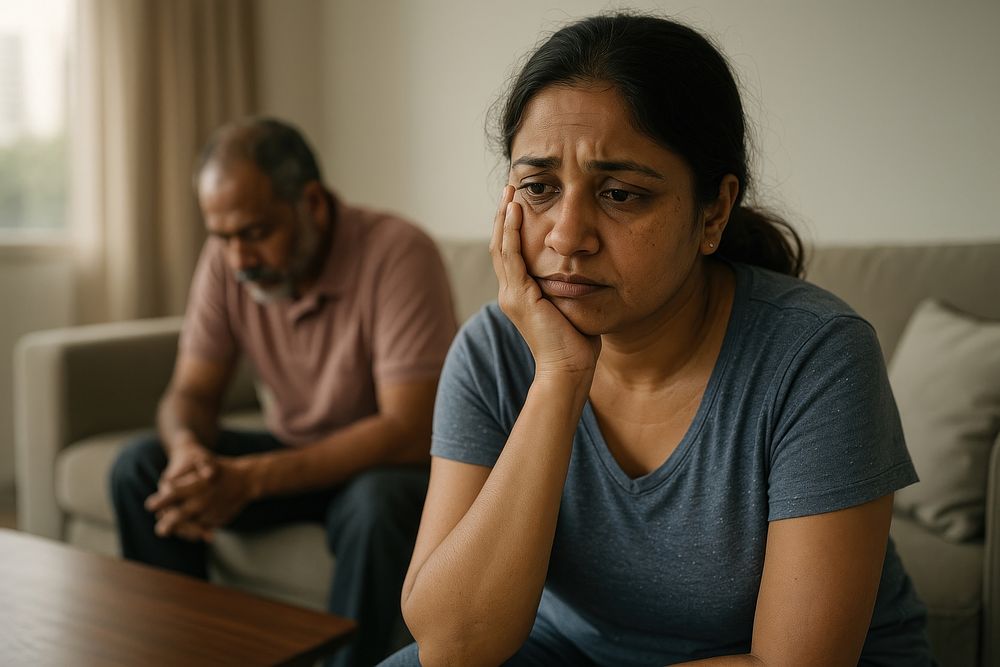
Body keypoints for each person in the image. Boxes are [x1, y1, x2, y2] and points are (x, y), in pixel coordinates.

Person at [381, 13, 934, 667]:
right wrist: (559, 377)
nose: (566, 235)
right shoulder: (492, 352)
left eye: (620, 194)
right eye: (538, 188)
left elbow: (794, 663)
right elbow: (452, 644)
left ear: (714, 212)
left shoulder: (818, 356)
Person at [110, 117, 457, 667]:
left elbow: (408, 429)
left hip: (383, 468)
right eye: (221, 237)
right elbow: (191, 394)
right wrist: (189, 457)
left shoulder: (397, 252)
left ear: (312, 204)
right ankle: (187, 654)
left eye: (254, 233)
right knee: (140, 467)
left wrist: (250, 479)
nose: (238, 257)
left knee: (377, 503)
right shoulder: (228, 262)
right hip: (295, 457)